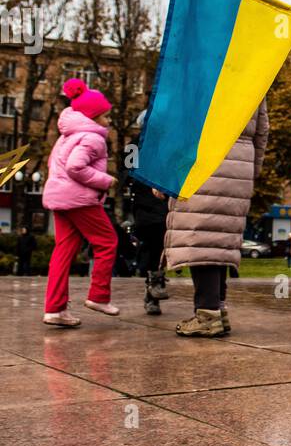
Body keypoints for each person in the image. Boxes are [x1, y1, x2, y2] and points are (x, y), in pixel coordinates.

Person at [163, 98, 269, 337]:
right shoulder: (252, 79)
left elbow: (178, 122)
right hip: (240, 165)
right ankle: (219, 310)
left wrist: (164, 172)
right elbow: (263, 130)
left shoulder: (200, 76)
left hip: (202, 162)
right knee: (219, 240)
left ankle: (207, 314)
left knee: (200, 239)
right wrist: (252, 170)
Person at [41, 77, 119, 326]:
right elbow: (75, 167)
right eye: (105, 116)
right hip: (80, 200)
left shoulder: (66, 136)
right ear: (92, 117)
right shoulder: (92, 137)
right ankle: (99, 296)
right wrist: (105, 181)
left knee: (63, 251)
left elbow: (53, 163)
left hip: (59, 197)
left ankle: (55, 309)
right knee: (107, 241)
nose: (108, 121)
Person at [129, 111, 170, 315]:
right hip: (145, 203)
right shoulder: (134, 145)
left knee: (162, 245)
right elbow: (128, 172)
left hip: (164, 202)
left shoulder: (167, 145)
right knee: (152, 243)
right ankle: (153, 284)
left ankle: (155, 285)